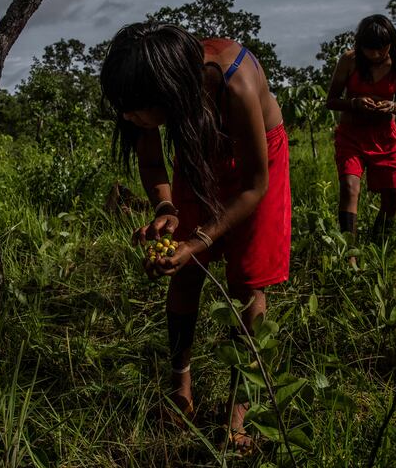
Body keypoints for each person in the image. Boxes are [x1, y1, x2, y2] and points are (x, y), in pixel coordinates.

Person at [100, 22, 291, 451]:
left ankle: (237, 413)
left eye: (134, 110)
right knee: (184, 275)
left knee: (247, 282)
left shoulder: (233, 84)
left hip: (256, 166)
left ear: (168, 94)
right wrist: (167, 208)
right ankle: (179, 392)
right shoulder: (150, 84)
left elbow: (252, 188)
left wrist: (197, 240)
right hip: (198, 150)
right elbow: (152, 165)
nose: (128, 118)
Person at [325, 14, 396, 260]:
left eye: (381, 49)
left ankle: (378, 247)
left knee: (393, 197)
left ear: (391, 43)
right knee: (349, 187)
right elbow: (331, 101)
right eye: (370, 49)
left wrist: (393, 107)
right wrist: (354, 102)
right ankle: (349, 256)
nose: (375, 54)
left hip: (385, 137)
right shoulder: (349, 60)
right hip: (351, 135)